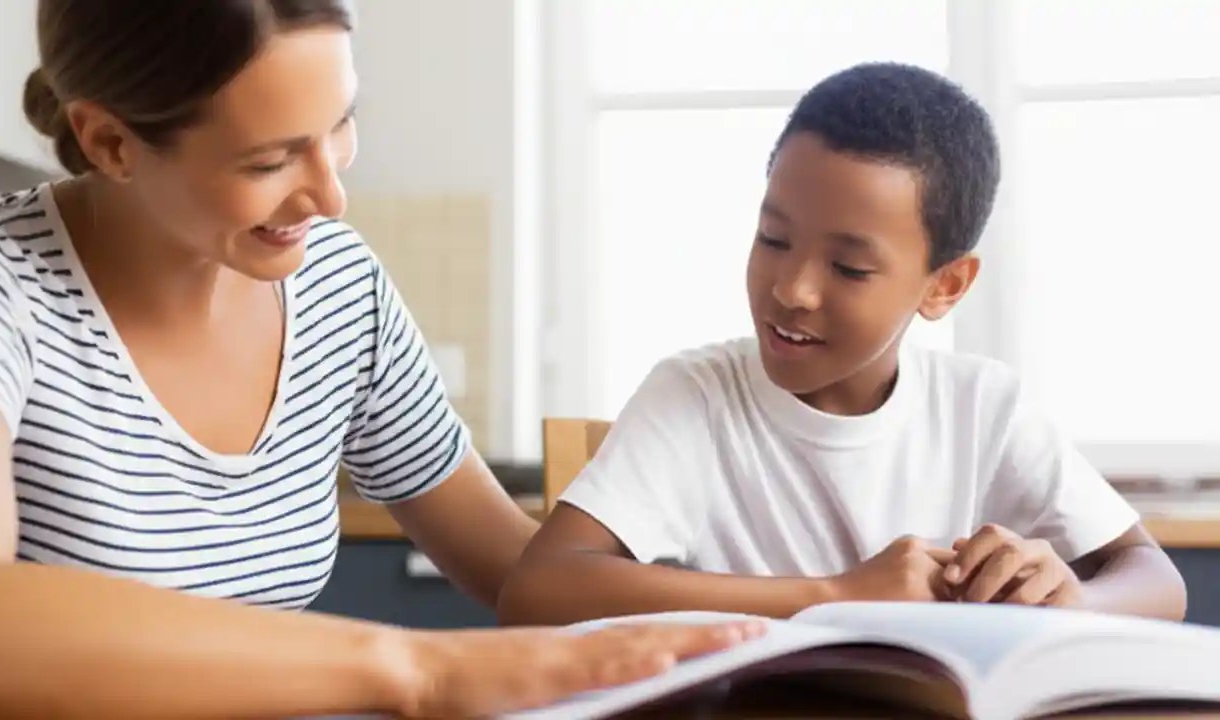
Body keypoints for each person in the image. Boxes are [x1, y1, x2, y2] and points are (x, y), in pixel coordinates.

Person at [0, 2, 763, 717]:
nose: (329, 195)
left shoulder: (338, 287)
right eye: (269, 162)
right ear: (110, 141)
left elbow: (520, 572)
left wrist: (792, 614)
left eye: (340, 125)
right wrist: (419, 669)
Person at [498, 63, 1187, 626]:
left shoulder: (984, 407)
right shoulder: (698, 397)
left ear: (944, 286)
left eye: (849, 268)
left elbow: (1156, 581)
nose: (792, 289)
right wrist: (835, 594)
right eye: (773, 239)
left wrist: (1074, 598)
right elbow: (539, 592)